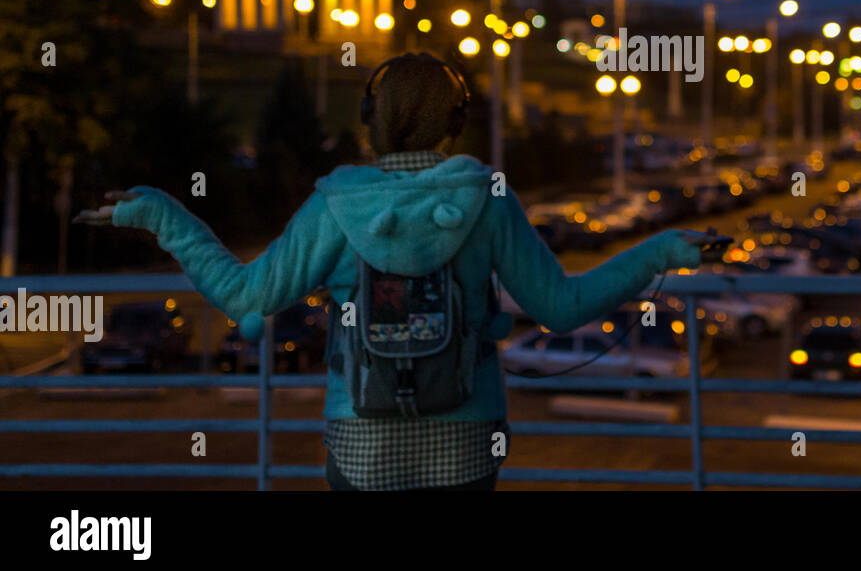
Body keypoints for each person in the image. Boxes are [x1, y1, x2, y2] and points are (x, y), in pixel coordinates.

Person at [89, 52, 703, 490]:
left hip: (361, 447)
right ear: (455, 122)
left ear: (369, 119)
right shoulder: (487, 197)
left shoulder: (335, 205)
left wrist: (162, 218)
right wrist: (660, 253)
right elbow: (562, 308)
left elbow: (244, 297)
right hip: (468, 445)